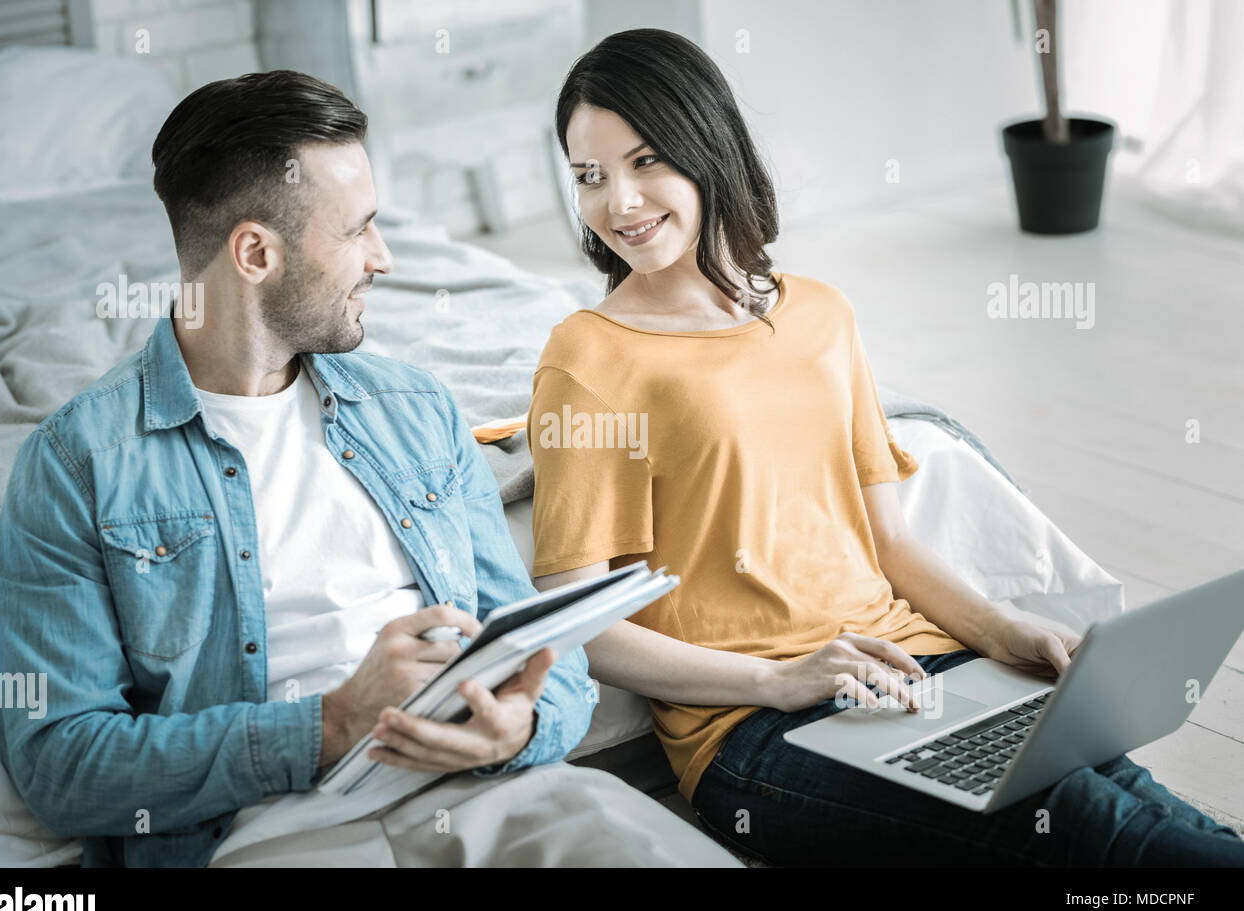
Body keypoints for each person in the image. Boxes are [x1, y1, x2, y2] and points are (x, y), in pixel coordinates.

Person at [527, 28, 1244, 867]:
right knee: (1091, 824)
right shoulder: (589, 358)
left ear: (706, 147)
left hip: (921, 664)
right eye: (590, 176)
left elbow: (890, 541)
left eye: (646, 160)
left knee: (1129, 797)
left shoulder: (819, 314)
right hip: (758, 728)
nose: (619, 201)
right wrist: (777, 679)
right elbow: (577, 624)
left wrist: (1005, 627)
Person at [0, 70, 740, 868]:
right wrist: (333, 725)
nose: (383, 257)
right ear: (254, 252)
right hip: (273, 834)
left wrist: (519, 726)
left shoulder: (414, 411)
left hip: (499, 791)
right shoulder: (78, 463)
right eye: (359, 229)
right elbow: (62, 765)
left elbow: (548, 658)